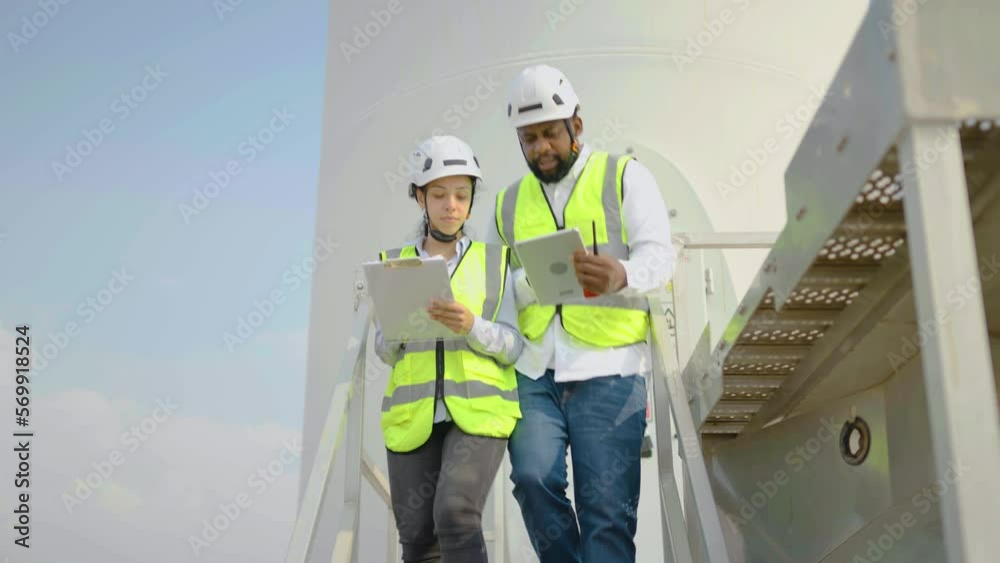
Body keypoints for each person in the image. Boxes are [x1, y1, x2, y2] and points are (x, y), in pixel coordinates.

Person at [489, 64, 676, 562]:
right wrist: (527, 285)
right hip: (534, 370)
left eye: (550, 134)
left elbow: (661, 256)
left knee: (607, 512)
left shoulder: (623, 175)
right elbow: (493, 291)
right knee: (531, 477)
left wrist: (623, 274)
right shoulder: (507, 204)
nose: (541, 149)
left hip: (610, 369)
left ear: (577, 123)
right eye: (529, 139)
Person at [374, 135, 523, 563]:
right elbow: (385, 350)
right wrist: (403, 325)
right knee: (418, 538)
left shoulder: (495, 262)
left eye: (461, 195)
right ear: (420, 197)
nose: (451, 205)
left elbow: (514, 346)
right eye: (439, 194)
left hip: (478, 411)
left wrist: (472, 326)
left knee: (455, 514)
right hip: (413, 415)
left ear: (472, 200)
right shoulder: (395, 262)